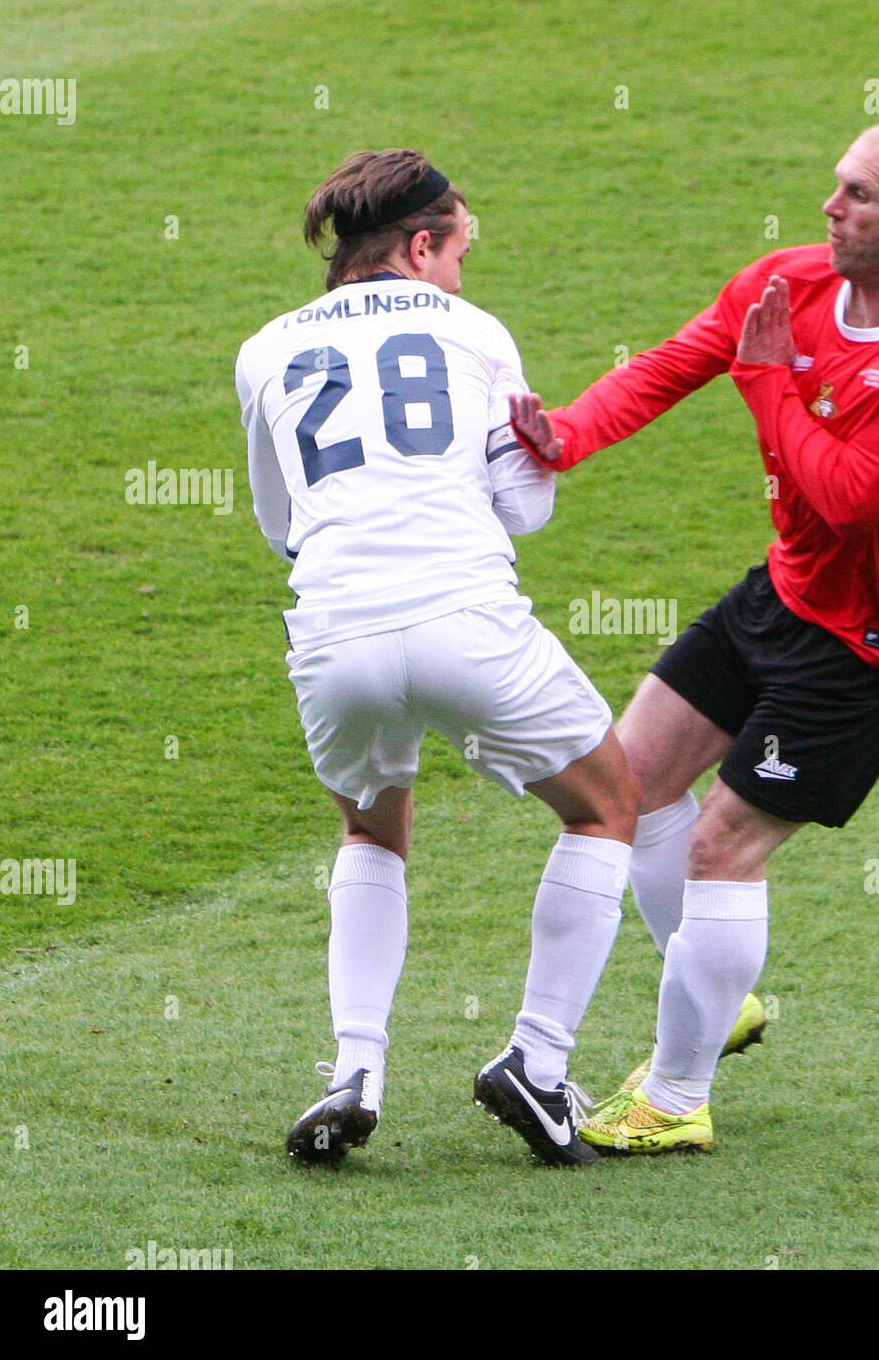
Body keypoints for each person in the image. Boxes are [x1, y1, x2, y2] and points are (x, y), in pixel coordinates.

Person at [509, 121, 879, 1154]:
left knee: (720, 848)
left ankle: (676, 1099)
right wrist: (572, 430)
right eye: (834, 186)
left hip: (862, 646)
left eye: (857, 195)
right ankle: (714, 998)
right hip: (777, 598)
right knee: (623, 784)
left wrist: (768, 380)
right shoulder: (787, 282)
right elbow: (674, 363)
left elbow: (849, 498)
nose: (828, 207)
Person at [235, 148, 640, 1168]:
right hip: (466, 616)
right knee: (606, 805)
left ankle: (353, 1072)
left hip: (333, 631)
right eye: (458, 248)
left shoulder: (264, 349)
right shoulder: (476, 332)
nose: (462, 269)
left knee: (372, 835)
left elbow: (281, 520)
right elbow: (521, 503)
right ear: (419, 245)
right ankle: (536, 1063)